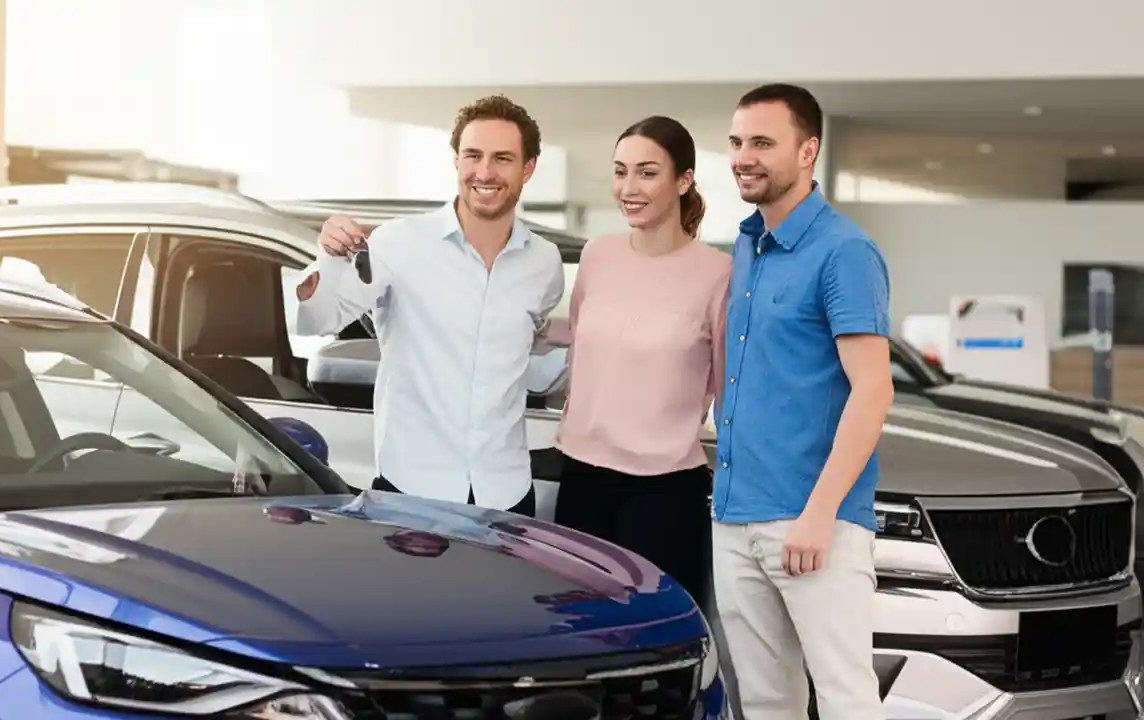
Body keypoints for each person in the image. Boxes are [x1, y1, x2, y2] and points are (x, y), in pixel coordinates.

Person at [286, 95, 565, 517]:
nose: (485, 172)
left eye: (502, 158)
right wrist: (328, 256)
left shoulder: (544, 263)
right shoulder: (399, 243)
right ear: (456, 160)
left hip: (507, 495)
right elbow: (321, 318)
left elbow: (528, 361)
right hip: (411, 493)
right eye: (473, 155)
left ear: (528, 168)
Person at [710, 83, 894, 719]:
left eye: (762, 142)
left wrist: (819, 513)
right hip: (734, 517)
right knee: (763, 704)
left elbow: (874, 389)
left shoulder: (844, 251)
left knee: (846, 701)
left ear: (808, 150)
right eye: (736, 142)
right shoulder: (745, 244)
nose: (743, 156)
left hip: (814, 522)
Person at [548, 115, 731, 605]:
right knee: (578, 636)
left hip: (666, 493)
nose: (629, 187)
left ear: (684, 180)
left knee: (658, 641)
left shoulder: (719, 273)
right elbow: (578, 340)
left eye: (647, 172)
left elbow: (731, 388)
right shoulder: (597, 254)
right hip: (582, 480)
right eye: (620, 171)